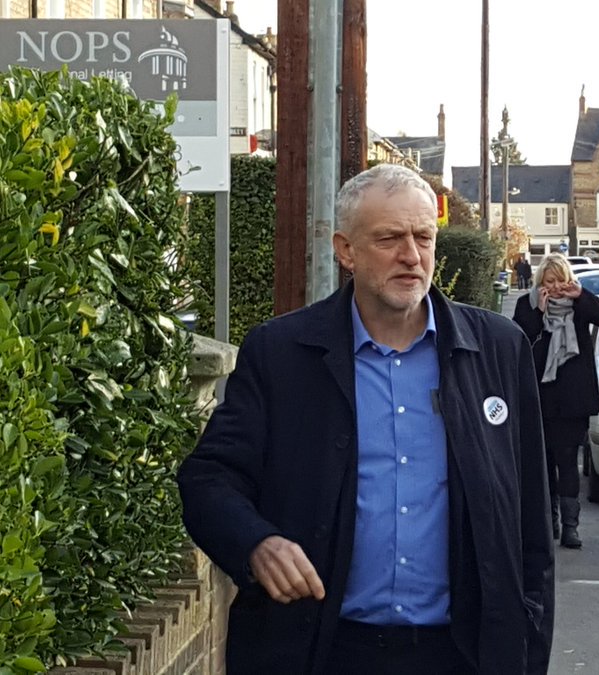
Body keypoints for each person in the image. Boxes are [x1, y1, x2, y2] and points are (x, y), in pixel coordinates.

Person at [177, 164, 554, 674]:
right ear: (346, 250)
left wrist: (528, 642)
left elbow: (531, 516)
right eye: (389, 238)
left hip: (461, 654)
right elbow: (208, 478)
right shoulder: (282, 354)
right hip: (323, 650)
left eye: (423, 237)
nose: (411, 255)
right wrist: (256, 543)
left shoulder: (498, 350)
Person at [513, 254, 599, 549]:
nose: (556, 287)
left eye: (560, 280)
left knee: (568, 462)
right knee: (543, 464)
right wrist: (539, 312)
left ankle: (571, 526)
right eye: (549, 281)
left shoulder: (579, 306)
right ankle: (549, 522)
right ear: (540, 282)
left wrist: (582, 295)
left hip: (572, 400)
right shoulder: (527, 305)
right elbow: (519, 340)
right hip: (539, 397)